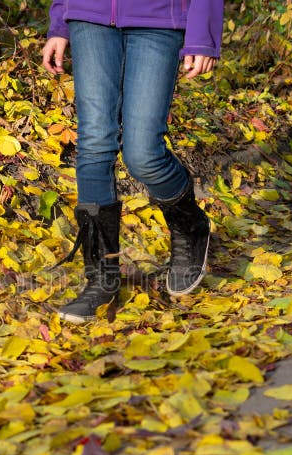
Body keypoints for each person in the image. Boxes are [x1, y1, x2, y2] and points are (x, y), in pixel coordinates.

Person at [42, 1, 224, 324]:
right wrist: (60, 20)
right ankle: (101, 280)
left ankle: (190, 224)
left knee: (143, 154)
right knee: (94, 140)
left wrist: (202, 33)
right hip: (89, 13)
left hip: (159, 17)